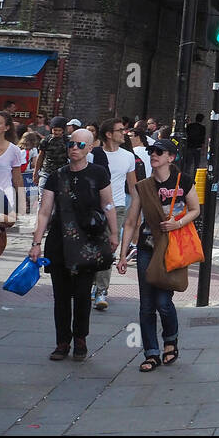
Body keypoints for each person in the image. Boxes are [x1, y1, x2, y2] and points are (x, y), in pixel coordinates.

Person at [28, 128, 117, 361]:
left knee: (81, 293)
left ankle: (80, 338)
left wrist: (114, 233)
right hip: (60, 240)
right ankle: (62, 341)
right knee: (60, 295)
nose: (74, 149)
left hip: (88, 241)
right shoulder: (58, 175)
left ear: (89, 148)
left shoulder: (98, 173)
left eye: (80, 145)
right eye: (71, 144)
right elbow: (45, 211)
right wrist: (36, 242)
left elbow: (108, 204)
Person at [117, 136, 199, 372]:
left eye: (159, 152)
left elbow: (196, 209)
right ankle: (151, 353)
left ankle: (170, 339)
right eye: (152, 151)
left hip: (173, 248)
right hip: (147, 248)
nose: (153, 155)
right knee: (146, 305)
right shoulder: (143, 186)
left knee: (164, 303)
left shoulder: (183, 181)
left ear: (171, 158)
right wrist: (123, 255)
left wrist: (178, 223)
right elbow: (132, 222)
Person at [90, 119, 136, 312]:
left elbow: (132, 185)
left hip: (116, 207)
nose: (124, 133)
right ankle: (90, 284)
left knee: (109, 248)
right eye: (120, 130)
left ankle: (101, 290)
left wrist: (137, 208)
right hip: (94, 207)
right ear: (108, 134)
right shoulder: (94, 155)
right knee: (92, 247)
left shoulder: (128, 156)